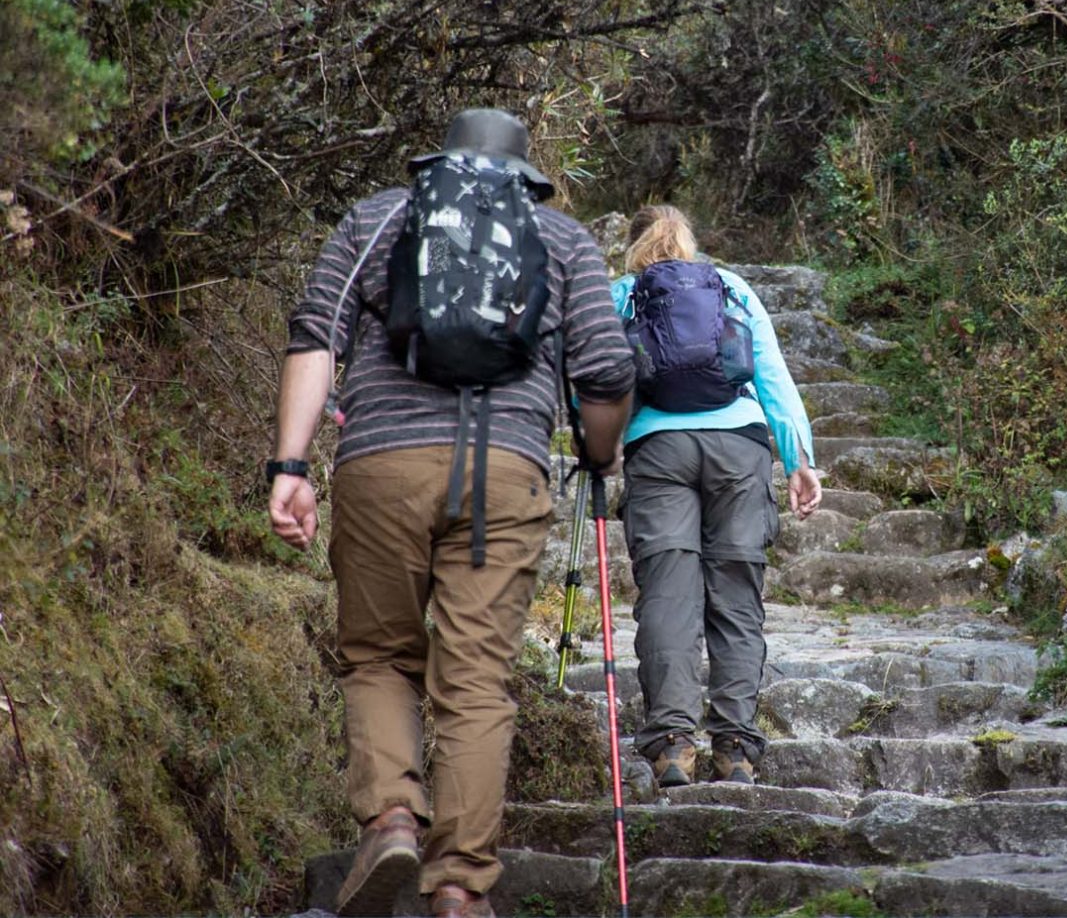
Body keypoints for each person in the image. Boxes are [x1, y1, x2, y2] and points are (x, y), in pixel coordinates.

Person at [267, 109, 633, 918]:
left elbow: (314, 337)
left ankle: (393, 818)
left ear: (439, 163)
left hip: (382, 463)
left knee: (378, 657)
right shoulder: (563, 239)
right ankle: (461, 886)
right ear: (525, 175)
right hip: (504, 472)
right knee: (476, 680)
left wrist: (291, 466)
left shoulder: (379, 218)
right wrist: (600, 460)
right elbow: (607, 373)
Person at [611, 204, 821, 787]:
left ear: (634, 246)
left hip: (659, 449)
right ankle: (734, 748)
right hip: (741, 451)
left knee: (669, 598)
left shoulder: (622, 295)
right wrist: (799, 461)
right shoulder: (731, 288)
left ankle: (673, 746)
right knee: (736, 593)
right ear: (691, 245)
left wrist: (597, 447)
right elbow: (771, 375)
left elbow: (596, 381)